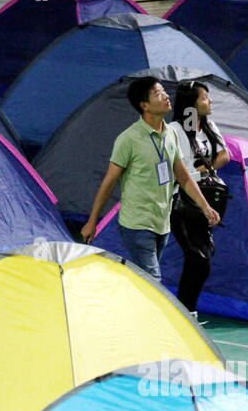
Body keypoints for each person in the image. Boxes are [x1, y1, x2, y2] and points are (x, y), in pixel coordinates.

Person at [80, 76, 220, 286]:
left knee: (144, 281)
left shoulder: (171, 133)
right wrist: (92, 221)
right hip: (137, 223)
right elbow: (109, 183)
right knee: (154, 281)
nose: (165, 96)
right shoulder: (128, 139)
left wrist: (205, 207)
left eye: (164, 91)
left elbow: (183, 176)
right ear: (144, 106)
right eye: (158, 94)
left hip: (162, 222)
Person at [170, 81, 230, 321]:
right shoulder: (174, 129)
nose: (210, 101)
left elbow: (225, 155)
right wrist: (193, 175)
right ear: (191, 104)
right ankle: (187, 314)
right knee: (198, 259)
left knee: (200, 260)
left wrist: (204, 171)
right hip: (180, 203)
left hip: (205, 200)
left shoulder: (209, 126)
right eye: (204, 98)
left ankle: (186, 312)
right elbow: (179, 168)